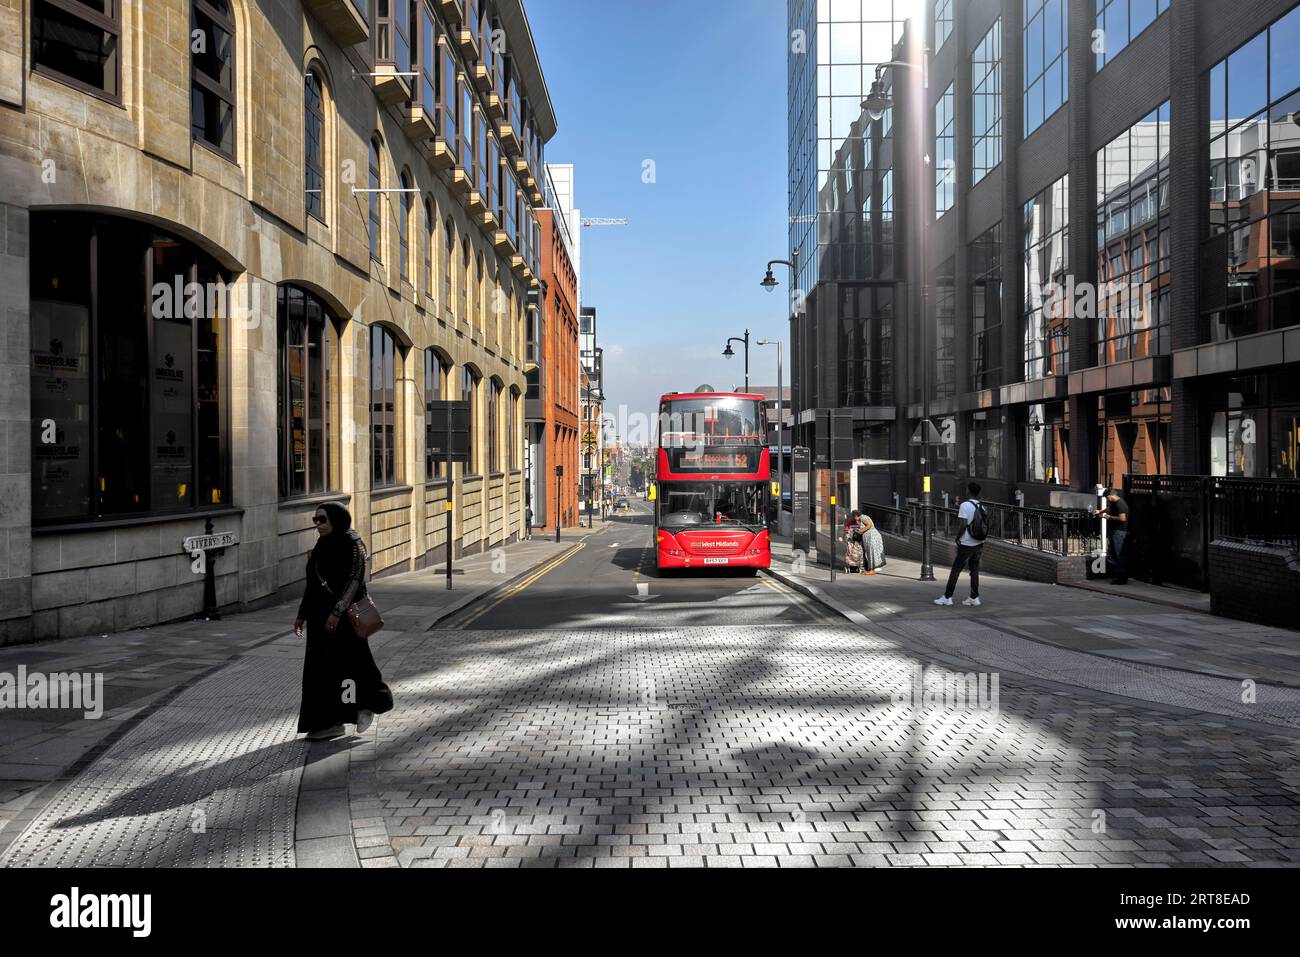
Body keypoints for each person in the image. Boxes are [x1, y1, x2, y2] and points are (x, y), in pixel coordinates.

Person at [294, 503, 392, 741]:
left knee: (354, 665)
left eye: (322, 520)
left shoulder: (353, 543)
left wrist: (336, 613)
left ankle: (366, 706)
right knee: (321, 672)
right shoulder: (321, 545)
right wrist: (301, 615)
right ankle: (328, 722)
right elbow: (312, 586)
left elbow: (355, 580)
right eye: (315, 520)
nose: (318, 525)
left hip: (345, 620)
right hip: (320, 620)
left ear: (337, 519)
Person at [935, 482, 988, 607]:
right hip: (979, 542)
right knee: (974, 570)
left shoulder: (965, 505)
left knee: (956, 570)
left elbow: (963, 524)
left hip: (967, 543)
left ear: (969, 491)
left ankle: (947, 597)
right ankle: (974, 597)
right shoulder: (983, 506)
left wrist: (958, 537)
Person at [1091, 488, 1129, 584]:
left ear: (1112, 495)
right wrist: (1100, 511)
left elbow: (1122, 518)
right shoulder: (1114, 503)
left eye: (1107, 497)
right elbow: (1109, 509)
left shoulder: (1121, 504)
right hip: (1115, 531)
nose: (1107, 499)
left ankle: (1121, 578)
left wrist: (1109, 517)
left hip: (1119, 532)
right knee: (1112, 554)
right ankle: (1118, 576)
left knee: (1118, 554)